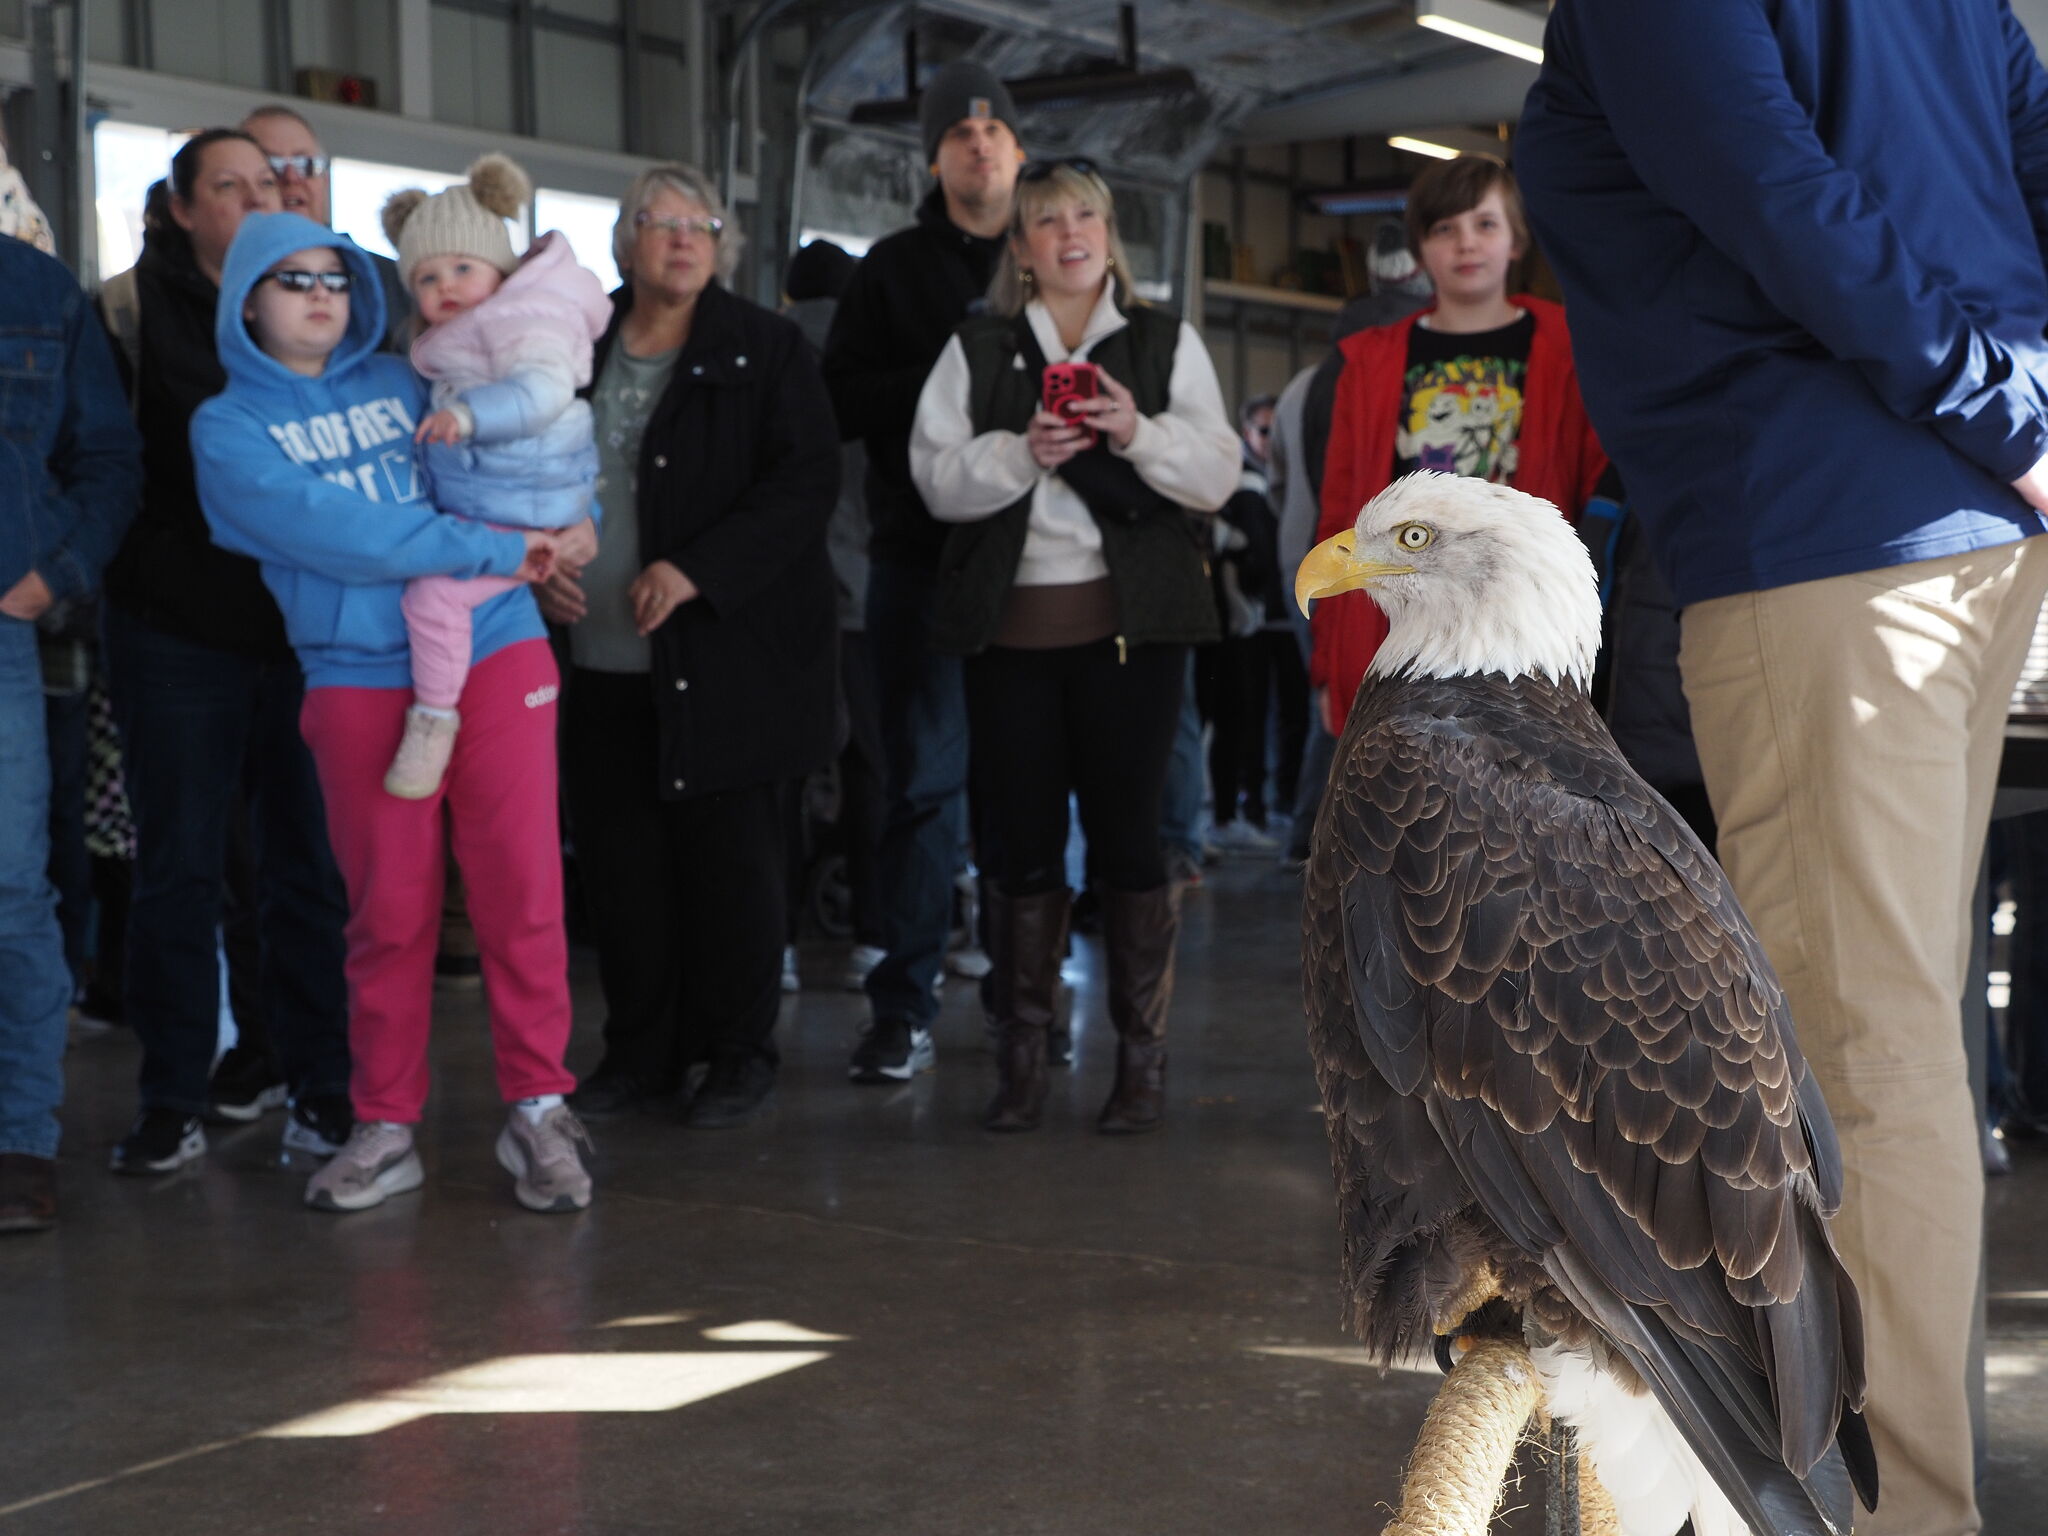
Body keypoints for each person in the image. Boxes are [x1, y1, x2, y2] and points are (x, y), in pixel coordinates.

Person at [1517, 7, 2048, 1530]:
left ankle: (1904, 1512)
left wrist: (2007, 411)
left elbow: (1777, 199)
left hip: (1828, 529)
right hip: (1953, 535)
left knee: (1864, 1063)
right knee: (1900, 1044)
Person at [189, 210, 590, 1213]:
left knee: (522, 885)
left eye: (333, 276)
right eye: (293, 280)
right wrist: (505, 553)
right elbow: (344, 535)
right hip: (359, 673)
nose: (320, 294)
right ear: (247, 300)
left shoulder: (408, 375)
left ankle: (539, 1108)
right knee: (389, 913)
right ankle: (385, 1123)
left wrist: (571, 517)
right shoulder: (227, 429)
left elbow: (523, 443)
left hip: (495, 644)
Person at [911, 159, 1236, 1133]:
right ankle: (1021, 1060)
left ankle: (1140, 1066)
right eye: (1044, 220)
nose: (1067, 234)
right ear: (1019, 247)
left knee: (1132, 838)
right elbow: (932, 479)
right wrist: (1021, 451)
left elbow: (1216, 474)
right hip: (1010, 632)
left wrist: (1134, 431)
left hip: (1131, 633)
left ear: (1108, 232)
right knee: (1018, 843)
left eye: (1083, 215)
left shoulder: (1160, 341)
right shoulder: (976, 348)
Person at [539, 165, 839, 1129]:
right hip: (601, 659)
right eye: (660, 222)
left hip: (729, 662)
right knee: (626, 874)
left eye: (701, 223)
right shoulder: (576, 345)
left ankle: (737, 1053)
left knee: (736, 872)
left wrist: (696, 569)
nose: (682, 238)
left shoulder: (768, 348)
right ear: (624, 240)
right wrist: (533, 557)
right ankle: (642, 1054)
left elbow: (804, 486)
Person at [97, 129, 362, 1173]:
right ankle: (171, 1096)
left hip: (306, 631)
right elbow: (105, 459)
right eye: (229, 185)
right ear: (180, 206)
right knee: (178, 871)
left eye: (268, 181)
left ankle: (322, 1085)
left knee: (307, 871)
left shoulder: (324, 300)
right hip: (174, 636)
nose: (256, 198)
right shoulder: (125, 313)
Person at [824, 61, 1025, 1085]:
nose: (978, 143)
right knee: (920, 786)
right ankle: (899, 1007)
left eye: (993, 129)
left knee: (1023, 793)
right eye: (958, 131)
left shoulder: (1056, 257)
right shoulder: (892, 269)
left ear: (1018, 151)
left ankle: (1018, 1007)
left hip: (1040, 570)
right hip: (920, 562)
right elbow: (842, 398)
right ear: (934, 154)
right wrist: (960, 369)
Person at [1310, 155, 1605, 732]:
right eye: (1445, 229)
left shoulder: (1571, 349)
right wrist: (1330, 663)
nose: (1466, 243)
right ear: (1421, 250)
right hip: (1391, 619)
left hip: (1516, 637)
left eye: (1485, 224)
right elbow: (1337, 510)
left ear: (1517, 240)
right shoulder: (1367, 360)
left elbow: (1597, 501)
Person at [378, 155, 610, 799]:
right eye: (426, 276)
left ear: (501, 272)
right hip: (510, 500)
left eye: (463, 268)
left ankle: (433, 721)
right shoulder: (467, 336)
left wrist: (467, 415)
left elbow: (543, 391)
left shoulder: (523, 322)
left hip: (521, 508)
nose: (445, 286)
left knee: (435, 597)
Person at [0, 236, 144, 1234]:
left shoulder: (37, 287)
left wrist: (51, 578)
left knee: (9, 889)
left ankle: (19, 1141)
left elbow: (108, 458)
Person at [784, 238, 889, 990]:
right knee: (873, 772)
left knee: (784, 772)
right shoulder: (870, 363)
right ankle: (875, 939)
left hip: (783, 597)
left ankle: (777, 944)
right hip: (865, 592)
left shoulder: (767, 351)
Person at [240, 103, 412, 352]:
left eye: (306, 165)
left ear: (325, 180)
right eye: (272, 166)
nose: (291, 178)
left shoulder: (391, 280)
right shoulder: (217, 276)